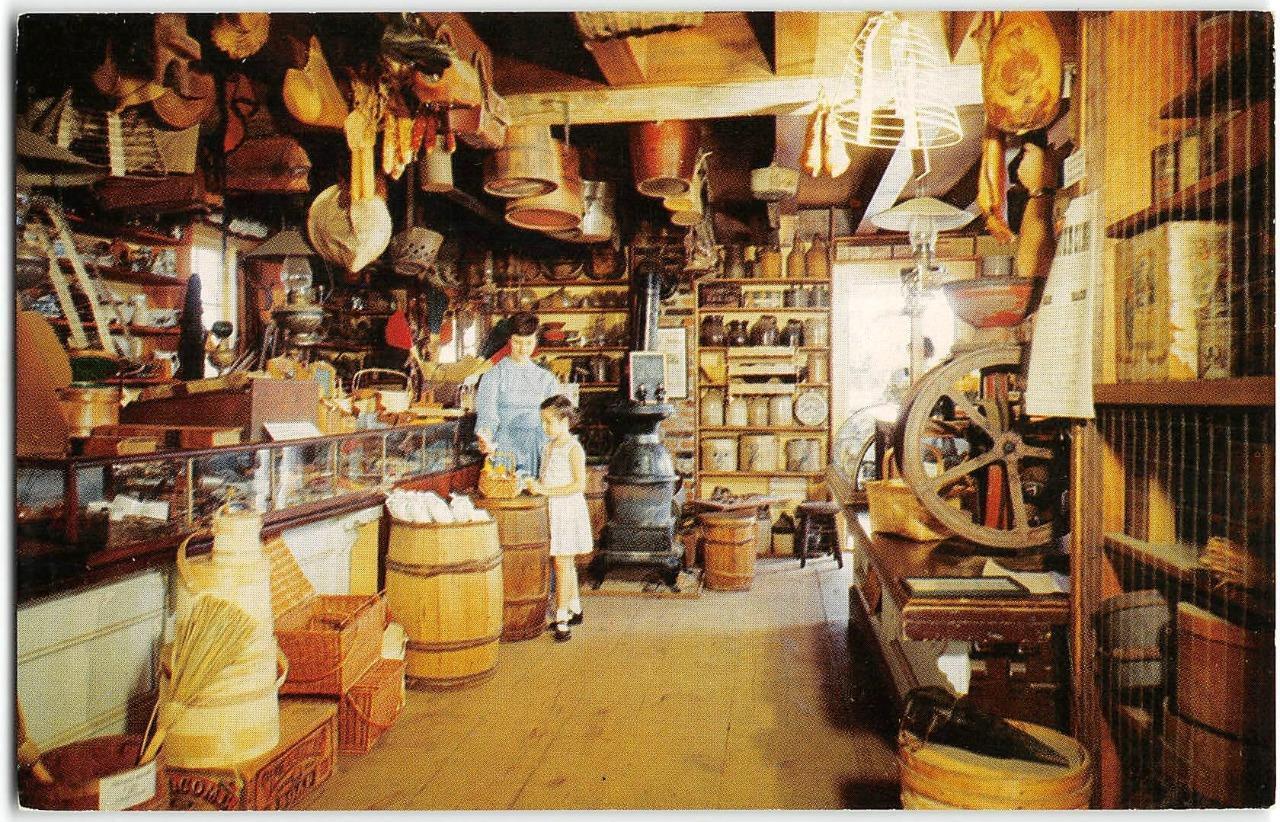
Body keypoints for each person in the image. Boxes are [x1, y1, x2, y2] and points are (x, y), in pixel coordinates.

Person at [527, 394, 593, 642]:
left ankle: (562, 616)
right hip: (553, 509)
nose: (544, 427)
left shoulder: (573, 448)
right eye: (542, 422)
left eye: (549, 422)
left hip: (567, 510)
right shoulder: (549, 447)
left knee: (562, 564)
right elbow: (546, 477)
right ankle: (575, 607)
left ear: (565, 421)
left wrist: (545, 490)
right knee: (564, 562)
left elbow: (579, 485)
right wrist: (536, 485)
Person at [474, 312, 561, 478]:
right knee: (506, 490)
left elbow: (556, 418)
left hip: (538, 448)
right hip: (504, 449)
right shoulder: (494, 374)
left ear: (536, 341)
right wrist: (485, 439)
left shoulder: (546, 378)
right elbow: (487, 416)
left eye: (528, 343)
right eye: (517, 342)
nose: (523, 348)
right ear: (509, 340)